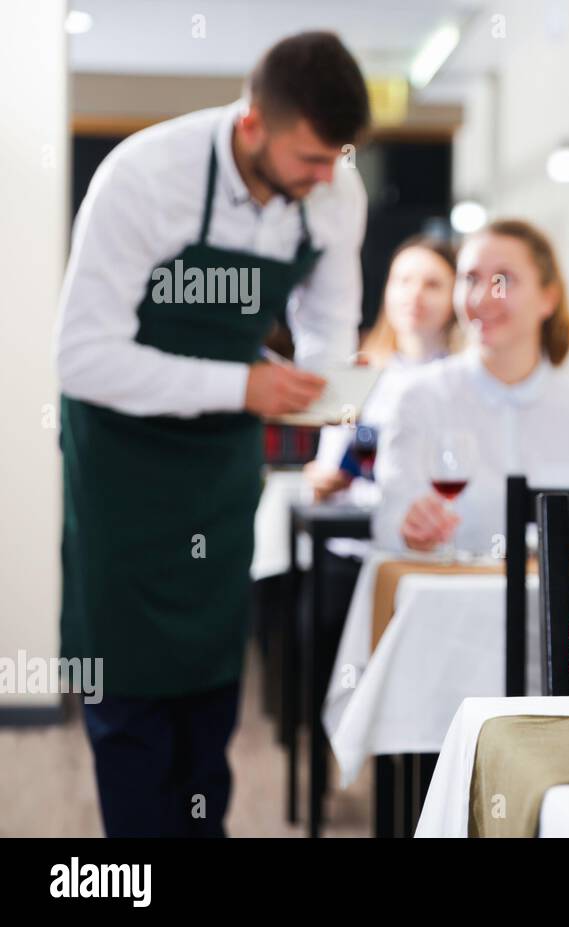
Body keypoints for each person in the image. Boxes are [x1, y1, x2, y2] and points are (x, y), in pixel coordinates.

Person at [54, 32, 371, 836]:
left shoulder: (333, 189)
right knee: (128, 702)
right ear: (252, 121)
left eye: (337, 159)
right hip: (124, 468)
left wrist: (335, 384)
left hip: (220, 469)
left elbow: (330, 319)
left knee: (209, 694)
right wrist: (247, 384)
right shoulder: (145, 177)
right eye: (309, 158)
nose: (324, 178)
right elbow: (82, 358)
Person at [373, 219, 569, 555]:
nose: (482, 297)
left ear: (547, 298)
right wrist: (409, 529)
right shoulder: (420, 398)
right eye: (470, 279)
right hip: (449, 602)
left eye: (503, 280)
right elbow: (387, 518)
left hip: (566, 605)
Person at [305, 234, 459, 503]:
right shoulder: (356, 373)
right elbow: (327, 470)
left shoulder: (465, 380)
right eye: (403, 281)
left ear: (456, 296)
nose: (415, 294)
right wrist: (321, 481)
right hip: (356, 534)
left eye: (432, 285)